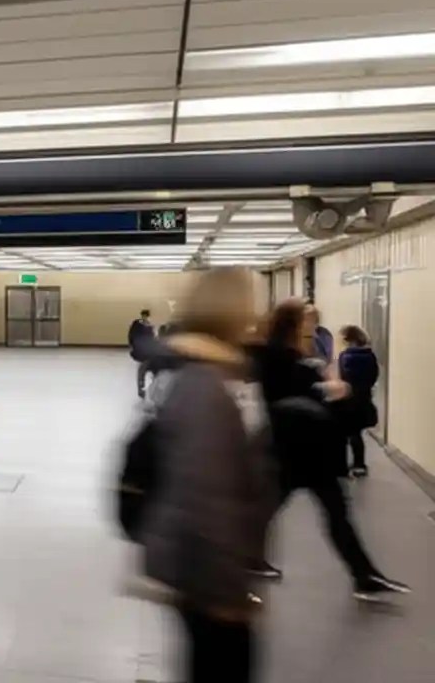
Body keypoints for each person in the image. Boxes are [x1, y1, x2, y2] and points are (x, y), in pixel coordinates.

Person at [141, 268, 276, 683]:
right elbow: (204, 491)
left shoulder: (217, 372)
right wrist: (225, 589)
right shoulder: (204, 382)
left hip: (206, 567)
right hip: (207, 573)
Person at [250, 300, 408, 601]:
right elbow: (290, 396)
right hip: (293, 449)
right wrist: (330, 388)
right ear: (293, 325)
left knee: (333, 513)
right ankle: (363, 576)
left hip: (311, 451)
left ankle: (364, 576)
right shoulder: (277, 357)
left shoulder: (298, 355)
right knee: (278, 511)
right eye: (307, 322)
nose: (313, 328)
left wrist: (328, 384)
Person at [337, 325, 380, 477]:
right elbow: (374, 376)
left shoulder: (345, 357)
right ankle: (359, 464)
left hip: (348, 400)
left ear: (348, 339)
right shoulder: (370, 356)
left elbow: (343, 378)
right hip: (364, 399)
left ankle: (341, 466)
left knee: (343, 435)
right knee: (356, 434)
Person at [128, 309, 155, 398]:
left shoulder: (149, 325)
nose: (145, 317)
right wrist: (132, 344)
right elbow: (131, 334)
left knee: (142, 370)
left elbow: (152, 337)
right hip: (141, 349)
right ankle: (141, 388)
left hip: (146, 350)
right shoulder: (138, 323)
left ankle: (143, 387)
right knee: (142, 370)